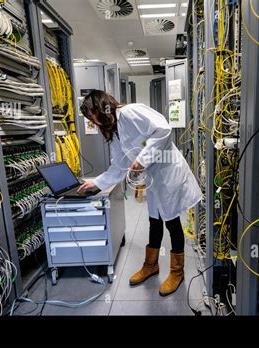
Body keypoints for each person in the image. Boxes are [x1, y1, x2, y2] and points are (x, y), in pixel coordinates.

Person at [77, 90, 202, 296]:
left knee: (171, 221)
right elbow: (118, 166)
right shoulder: (115, 131)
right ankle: (151, 265)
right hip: (154, 177)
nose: (94, 122)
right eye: (90, 119)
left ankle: (177, 272)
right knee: (154, 220)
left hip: (168, 171)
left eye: (93, 116)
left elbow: (163, 129)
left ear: (101, 107)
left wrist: (143, 158)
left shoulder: (130, 112)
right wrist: (96, 182)